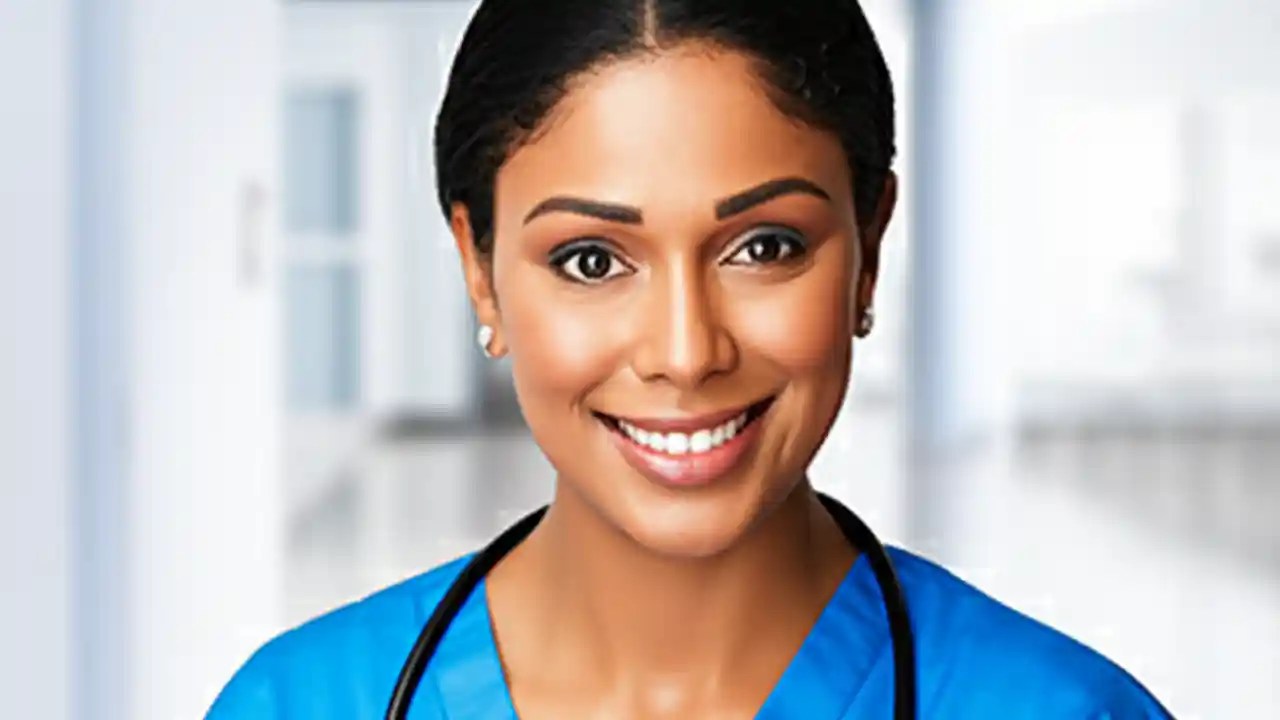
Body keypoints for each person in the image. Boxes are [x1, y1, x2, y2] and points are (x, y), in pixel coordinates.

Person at [208, 1, 1173, 717]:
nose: (685, 352)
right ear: (480, 272)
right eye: (591, 261)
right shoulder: (296, 704)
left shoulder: (1063, 710)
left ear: (869, 250)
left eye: (764, 247)